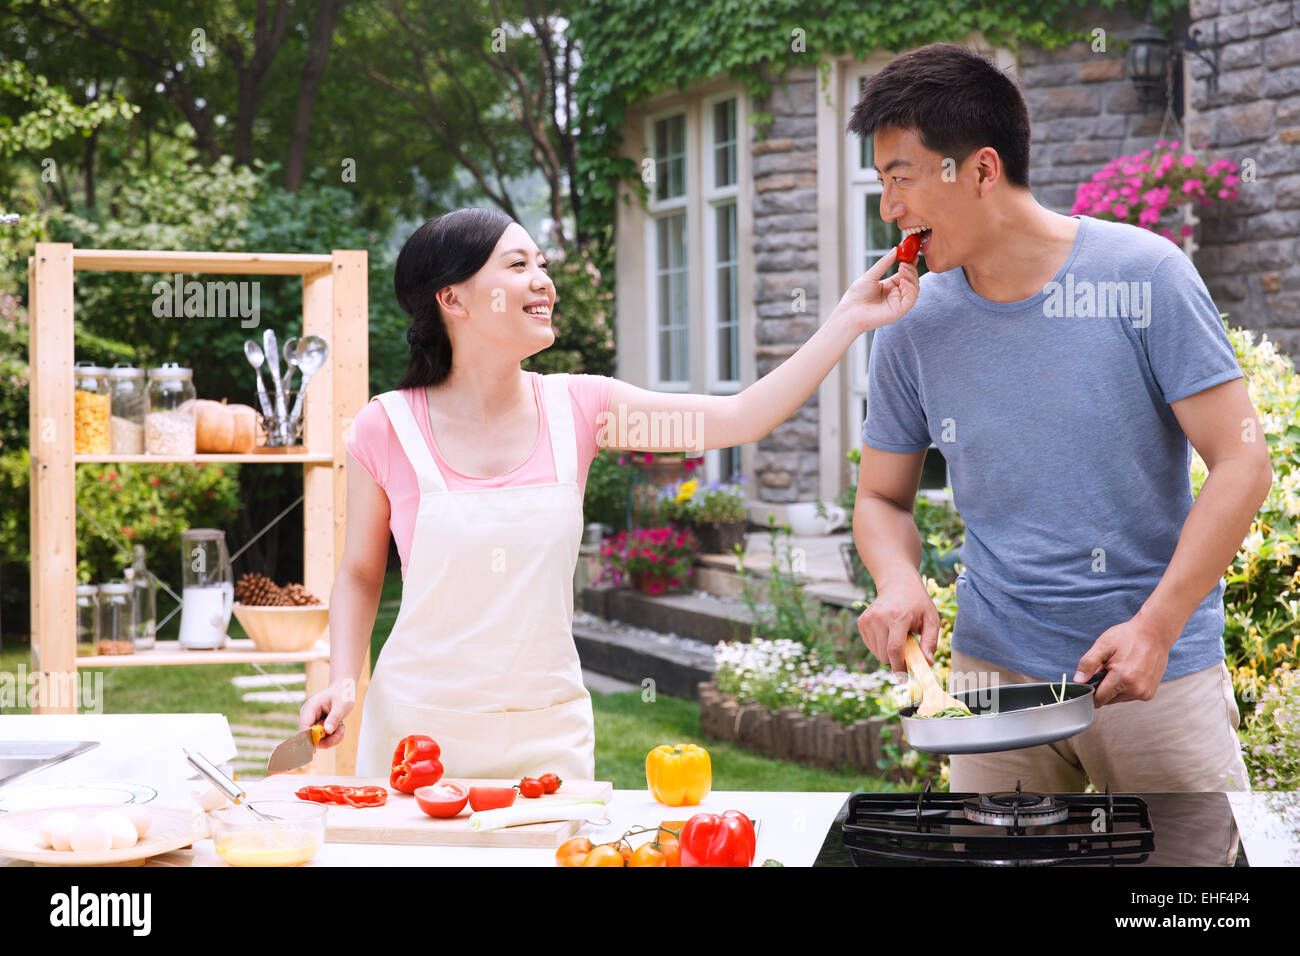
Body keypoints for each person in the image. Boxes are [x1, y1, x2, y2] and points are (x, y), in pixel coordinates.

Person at [300, 206, 919, 779]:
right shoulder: (386, 427)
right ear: (452, 297)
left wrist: (848, 320)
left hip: (549, 737)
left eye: (542, 264)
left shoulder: (582, 409)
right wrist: (343, 678)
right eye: (518, 265)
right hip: (415, 734)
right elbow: (359, 573)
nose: (544, 280)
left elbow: (741, 419)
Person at [848, 43, 1273, 793]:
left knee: (1187, 903)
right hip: (992, 677)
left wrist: (1157, 629)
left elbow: (1243, 462)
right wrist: (896, 579)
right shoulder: (911, 322)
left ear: (981, 170)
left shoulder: (1146, 275)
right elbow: (882, 497)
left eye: (900, 180)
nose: (889, 209)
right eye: (882, 184)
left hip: (1153, 670)